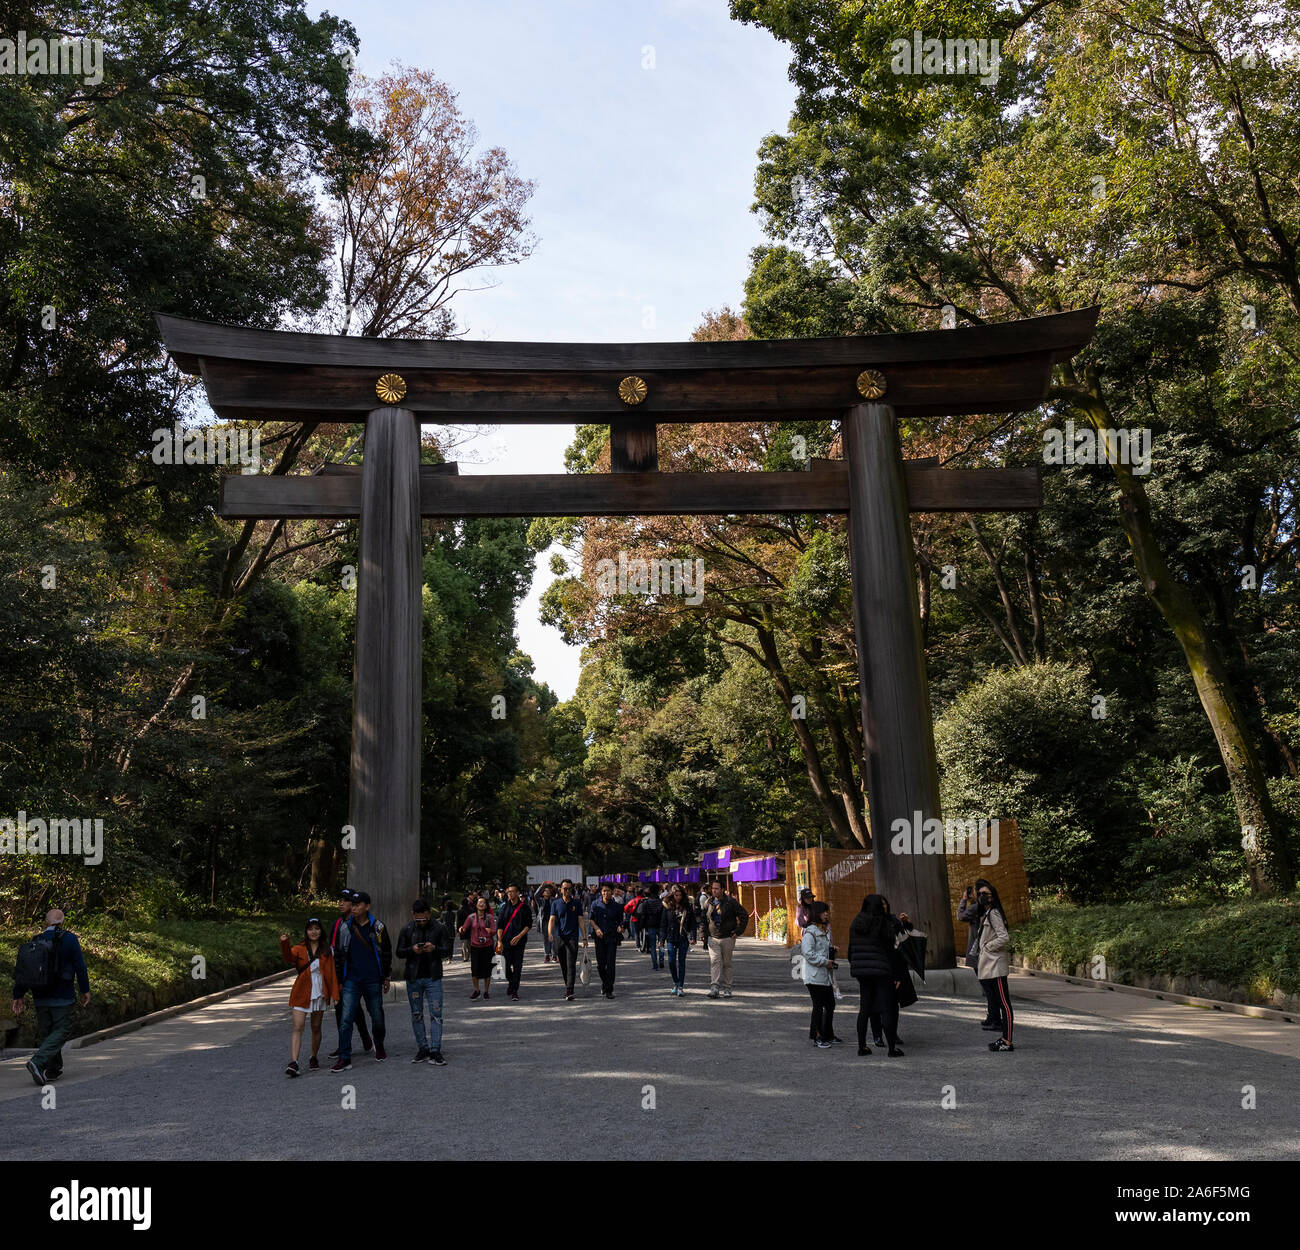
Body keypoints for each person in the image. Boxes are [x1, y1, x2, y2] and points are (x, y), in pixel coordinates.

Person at [10, 908, 90, 1085]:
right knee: (61, 1030)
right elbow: (80, 966)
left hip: (40, 996)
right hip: (63, 996)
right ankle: (37, 1062)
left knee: (48, 1034)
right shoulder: (69, 939)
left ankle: (53, 1068)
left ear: (46, 923)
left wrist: (18, 995)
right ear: (62, 922)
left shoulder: (36, 940)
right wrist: (85, 989)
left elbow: (25, 970)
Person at [330, 891, 391, 1071]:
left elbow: (386, 952)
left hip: (373, 979)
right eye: (353, 904)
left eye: (357, 905)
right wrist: (340, 980)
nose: (354, 908)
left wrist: (386, 976)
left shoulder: (378, 927)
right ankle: (344, 1057)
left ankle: (378, 1044)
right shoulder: (345, 927)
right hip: (352, 980)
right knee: (346, 1018)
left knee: (377, 1016)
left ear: (367, 906)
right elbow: (340, 955)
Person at [280, 917, 338, 1076]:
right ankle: (294, 1062)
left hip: (319, 990)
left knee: (316, 1026)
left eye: (317, 928)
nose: (314, 932)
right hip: (302, 990)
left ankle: (313, 1056)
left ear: (321, 931)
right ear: (306, 931)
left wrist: (335, 995)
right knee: (298, 1026)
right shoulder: (299, 948)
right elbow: (288, 958)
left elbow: (331, 974)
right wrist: (285, 943)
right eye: (311, 929)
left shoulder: (327, 950)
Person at [847, 895, 904, 1057]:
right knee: (886, 1009)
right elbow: (891, 950)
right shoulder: (882, 922)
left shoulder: (856, 922)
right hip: (882, 970)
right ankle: (892, 1048)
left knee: (864, 1009)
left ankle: (862, 1046)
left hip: (862, 972)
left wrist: (856, 965)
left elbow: (851, 949)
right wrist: (897, 974)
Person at [396, 899, 448, 1065]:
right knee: (416, 1014)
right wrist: (412, 949)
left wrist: (435, 949)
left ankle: (435, 1050)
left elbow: (447, 950)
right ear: (413, 915)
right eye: (417, 919)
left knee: (436, 1014)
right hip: (414, 976)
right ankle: (422, 1048)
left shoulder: (439, 928)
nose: (421, 922)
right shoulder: (407, 929)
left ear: (428, 914)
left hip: (433, 976)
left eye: (423, 919)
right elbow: (399, 952)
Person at [329, 890, 373, 1058]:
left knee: (352, 1008)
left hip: (356, 972)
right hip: (340, 972)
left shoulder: (360, 924)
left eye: (345, 901)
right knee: (342, 1009)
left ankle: (363, 1038)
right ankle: (347, 1043)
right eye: (339, 900)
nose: (341, 904)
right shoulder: (337, 924)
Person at [976, 882, 1014, 1052]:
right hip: (990, 965)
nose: (981, 895)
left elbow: (1004, 937)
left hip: (995, 965)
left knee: (1004, 1003)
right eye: (980, 893)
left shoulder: (994, 913)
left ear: (993, 895)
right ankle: (1005, 1039)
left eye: (985, 893)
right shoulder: (987, 913)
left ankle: (1007, 1041)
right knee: (1000, 1002)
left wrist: (987, 947)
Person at [959, 879, 999, 1029]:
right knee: (989, 988)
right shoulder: (985, 908)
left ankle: (994, 1018)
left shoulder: (977, 908)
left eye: (980, 892)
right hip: (983, 951)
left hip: (979, 952)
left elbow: (960, 916)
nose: (976, 894)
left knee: (988, 988)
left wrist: (963, 900)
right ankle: (993, 1016)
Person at [800, 901, 840, 1048]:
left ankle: (828, 1034)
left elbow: (821, 950)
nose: (827, 914)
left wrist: (831, 950)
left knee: (830, 1005)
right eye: (824, 912)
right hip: (814, 976)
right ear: (816, 913)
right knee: (818, 1006)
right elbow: (808, 953)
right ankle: (817, 1036)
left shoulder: (824, 931)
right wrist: (825, 961)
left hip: (825, 976)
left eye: (827, 912)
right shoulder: (810, 932)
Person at [702, 881, 748, 999]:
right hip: (713, 938)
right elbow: (703, 918)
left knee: (727, 963)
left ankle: (727, 988)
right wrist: (703, 933)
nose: (714, 891)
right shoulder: (709, 902)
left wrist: (738, 931)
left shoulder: (731, 902)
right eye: (713, 888)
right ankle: (715, 987)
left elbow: (744, 914)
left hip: (728, 937)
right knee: (715, 962)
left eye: (717, 888)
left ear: (722, 889)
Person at [547, 879, 587, 1001]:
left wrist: (584, 937)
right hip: (559, 938)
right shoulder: (555, 903)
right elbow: (552, 920)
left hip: (572, 938)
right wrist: (550, 933)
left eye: (569, 888)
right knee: (564, 965)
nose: (567, 891)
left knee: (571, 965)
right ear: (561, 890)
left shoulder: (577, 903)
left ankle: (570, 989)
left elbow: (581, 920)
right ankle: (568, 985)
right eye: (565, 888)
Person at [588, 882, 626, 999]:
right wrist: (596, 929)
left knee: (610, 964)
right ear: (601, 892)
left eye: (608, 890)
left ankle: (609, 989)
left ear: (612, 891)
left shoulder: (617, 906)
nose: (606, 893)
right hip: (599, 938)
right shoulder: (595, 904)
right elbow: (591, 919)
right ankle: (605, 983)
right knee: (600, 965)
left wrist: (621, 927)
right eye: (604, 891)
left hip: (612, 937)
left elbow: (621, 921)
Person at [496, 884, 532, 1000]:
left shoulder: (524, 907)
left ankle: (515, 990)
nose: (509, 894)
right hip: (506, 941)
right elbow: (500, 925)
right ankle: (511, 983)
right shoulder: (504, 907)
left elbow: (528, 925)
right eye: (508, 892)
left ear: (517, 893)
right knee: (504, 966)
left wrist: (519, 936)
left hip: (519, 942)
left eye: (512, 891)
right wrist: (499, 941)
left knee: (517, 967)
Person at [459, 895, 498, 1000]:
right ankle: (476, 990)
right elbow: (464, 928)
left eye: (484, 903)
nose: (481, 904)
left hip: (487, 946)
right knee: (474, 969)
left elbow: (494, 931)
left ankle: (486, 991)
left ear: (486, 906)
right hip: (475, 947)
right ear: (476, 905)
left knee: (487, 969)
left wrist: (491, 931)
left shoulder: (490, 917)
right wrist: (461, 929)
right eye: (479, 902)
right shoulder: (471, 917)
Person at [660, 886, 697, 996]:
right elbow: (663, 924)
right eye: (676, 895)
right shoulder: (667, 907)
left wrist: (693, 937)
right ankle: (676, 982)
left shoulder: (687, 907)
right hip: (671, 938)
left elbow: (693, 923)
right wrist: (661, 939)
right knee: (671, 962)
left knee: (681, 962)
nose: (678, 897)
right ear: (672, 895)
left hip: (683, 938)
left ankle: (680, 986)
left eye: (680, 895)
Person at [638, 886, 664, 971]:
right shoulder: (661, 902)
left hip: (650, 925)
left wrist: (642, 926)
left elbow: (643, 915)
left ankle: (655, 964)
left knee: (652, 946)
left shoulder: (646, 902)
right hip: (660, 925)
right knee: (661, 944)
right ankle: (661, 961)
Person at [535, 884, 556, 962]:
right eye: (545, 891)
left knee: (553, 938)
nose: (547, 892)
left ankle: (554, 955)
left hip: (553, 921)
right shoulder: (540, 901)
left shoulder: (553, 900)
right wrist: (541, 886)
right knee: (546, 939)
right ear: (543, 893)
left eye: (548, 891)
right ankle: (547, 955)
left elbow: (560, 896)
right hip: (544, 922)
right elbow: (535, 895)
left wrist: (554, 887)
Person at [456, 893, 478, 962]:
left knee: (463, 943)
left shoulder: (459, 911)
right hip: (470, 928)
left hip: (462, 928)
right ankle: (469, 954)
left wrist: (457, 930)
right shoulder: (471, 910)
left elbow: (458, 922)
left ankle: (465, 957)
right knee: (469, 942)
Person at [438, 897, 458, 961]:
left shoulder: (443, 913)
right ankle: (450, 956)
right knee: (451, 944)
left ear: (446, 906)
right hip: (451, 930)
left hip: (444, 930)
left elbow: (441, 921)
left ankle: (446, 956)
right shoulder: (453, 914)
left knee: (445, 944)